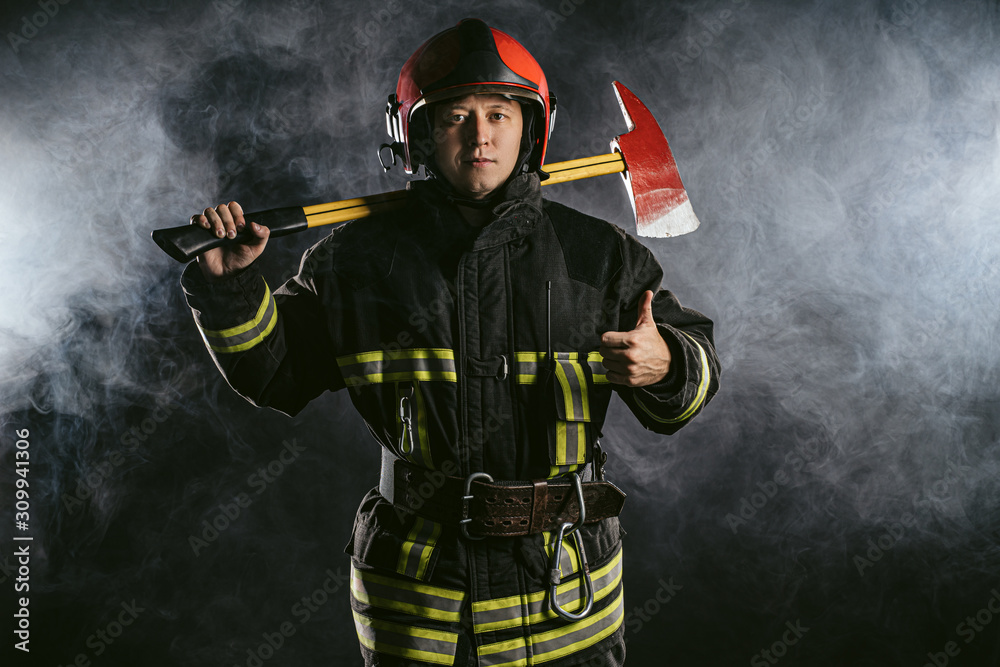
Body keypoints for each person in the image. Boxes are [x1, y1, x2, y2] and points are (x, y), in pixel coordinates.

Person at [180, 18, 720, 667]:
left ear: (533, 128)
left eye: (500, 112)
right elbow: (275, 373)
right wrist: (230, 288)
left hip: (565, 606)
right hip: (418, 605)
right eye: (455, 115)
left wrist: (665, 364)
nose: (481, 134)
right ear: (417, 133)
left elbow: (689, 376)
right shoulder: (354, 261)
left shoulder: (598, 258)